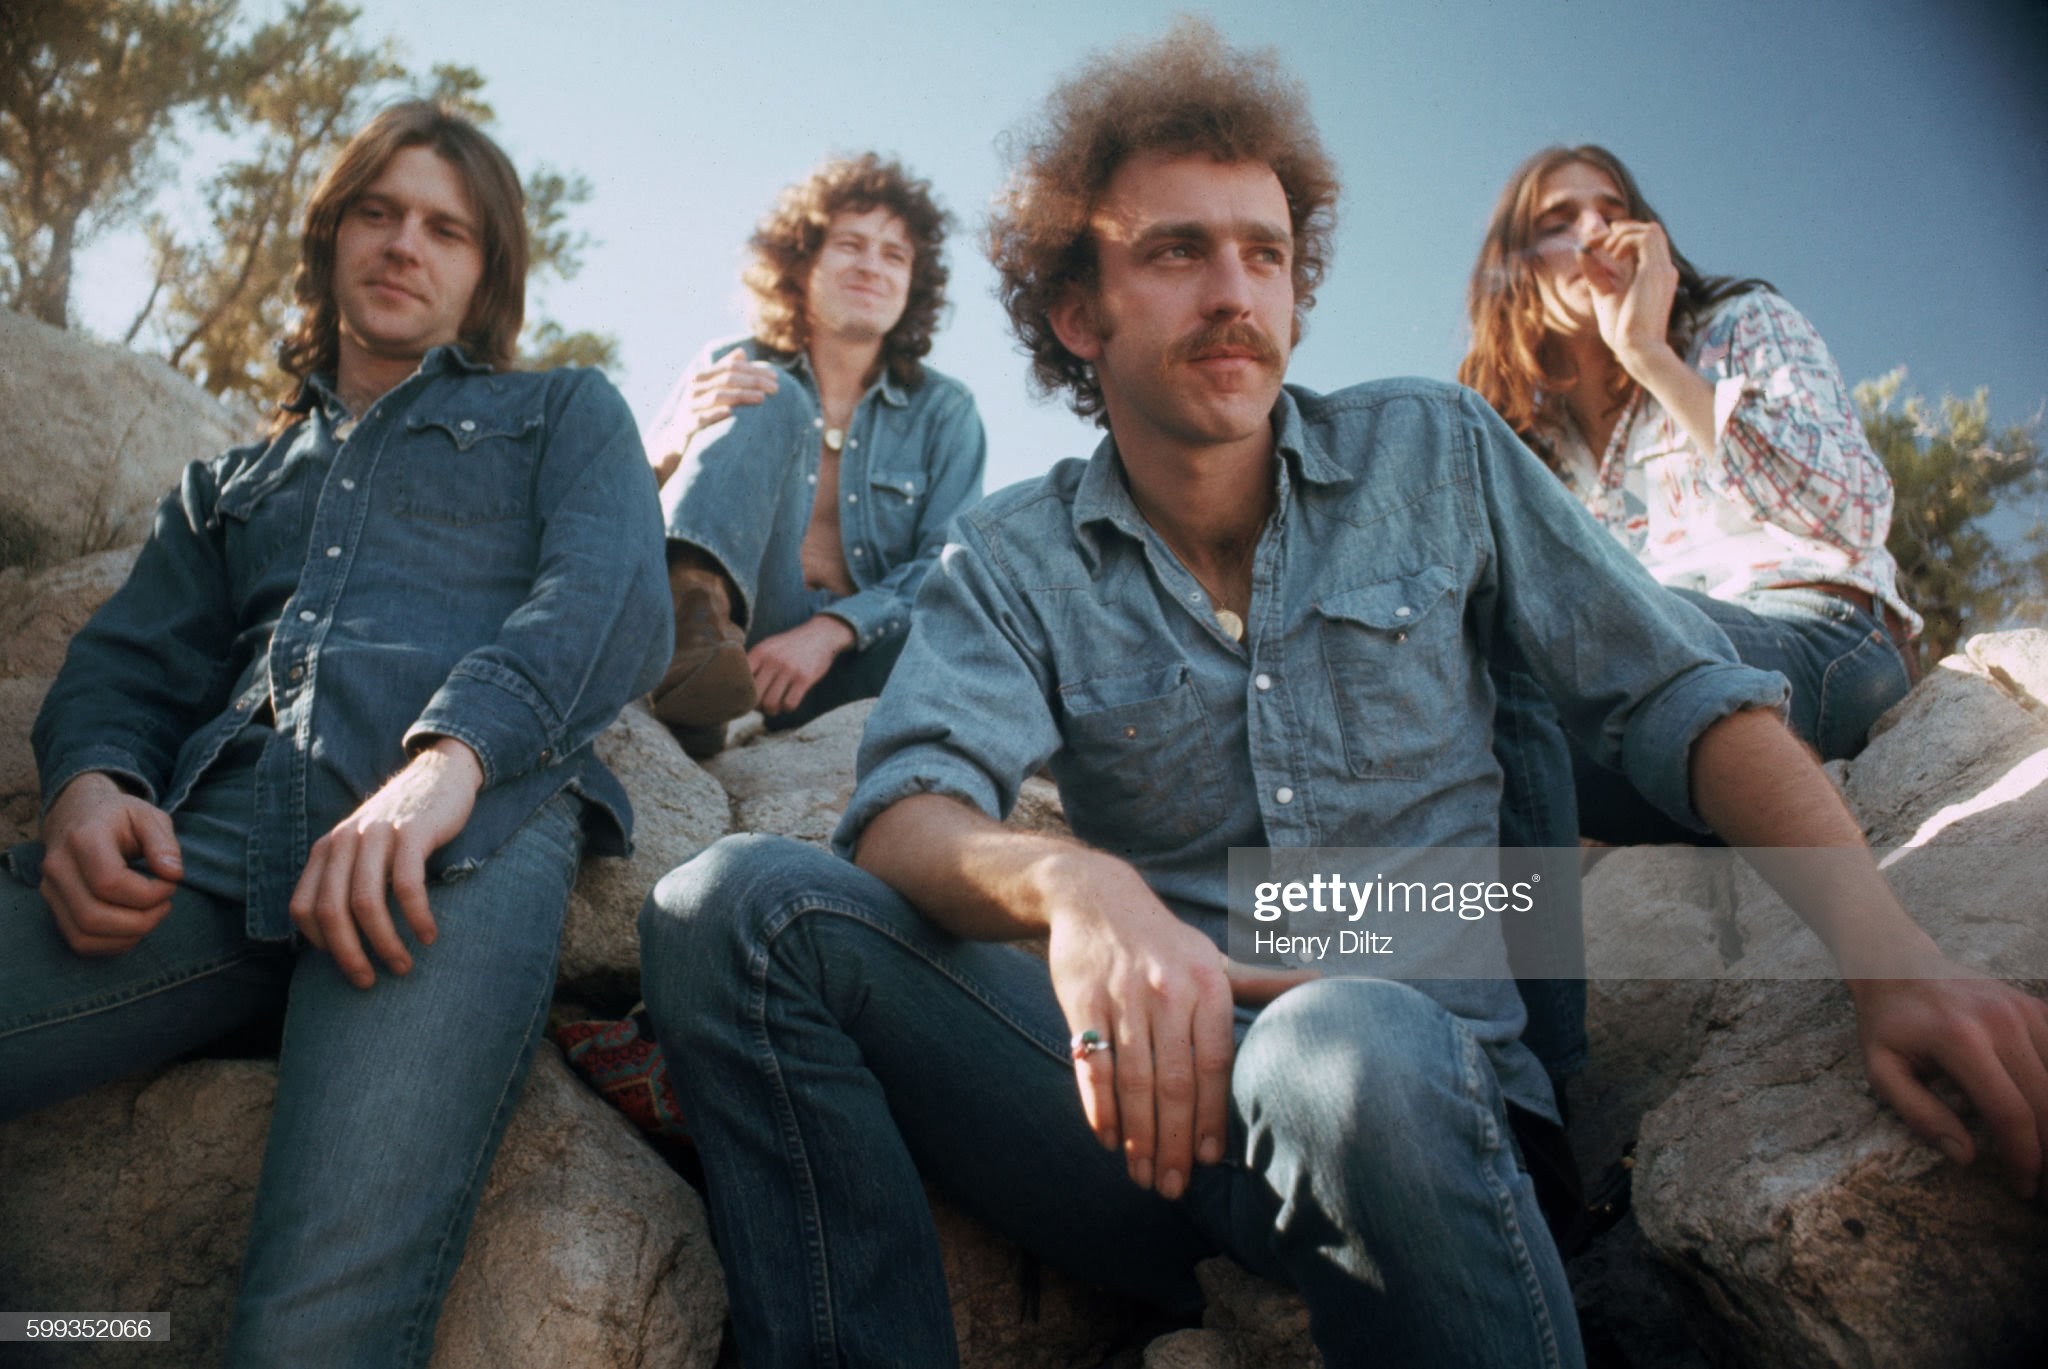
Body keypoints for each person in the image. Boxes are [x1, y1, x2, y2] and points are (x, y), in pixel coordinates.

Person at [637, 22, 2048, 1368]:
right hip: (1147, 1113)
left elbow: (1683, 696)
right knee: (731, 907)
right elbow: (905, 807)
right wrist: (1086, 896)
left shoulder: (1431, 451)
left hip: (1415, 1092)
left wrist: (1892, 956)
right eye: (1177, 253)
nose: (1234, 291)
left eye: (1265, 253)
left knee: (1344, 1030)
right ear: (1079, 311)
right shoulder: (1014, 547)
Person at [0, 101, 671, 1365]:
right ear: (331, 237)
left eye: (444, 226)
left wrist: (449, 763)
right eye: (378, 210)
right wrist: (90, 784)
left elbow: (615, 601)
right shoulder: (229, 485)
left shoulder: (561, 414)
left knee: (312, 1325)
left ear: (486, 272)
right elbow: (123, 666)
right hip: (204, 849)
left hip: (455, 843)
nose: (404, 243)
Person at [1461, 145, 1919, 841]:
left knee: (1574, 639)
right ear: (1518, 265)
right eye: (1561, 219)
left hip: (1823, 638)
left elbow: (1852, 512)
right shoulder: (1526, 450)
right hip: (1634, 706)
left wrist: (1650, 355)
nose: (1594, 232)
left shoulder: (1741, 325)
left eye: (1616, 212)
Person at [642, 153, 985, 757]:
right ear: (802, 262)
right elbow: (617, 512)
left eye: (894, 254)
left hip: (862, 659)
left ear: (914, 283)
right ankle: (690, 663)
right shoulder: (733, 360)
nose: (872, 266)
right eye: (851, 244)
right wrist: (670, 445)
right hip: (735, 637)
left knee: (986, 612)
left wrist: (832, 631)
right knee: (770, 391)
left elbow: (947, 561)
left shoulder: (945, 410)